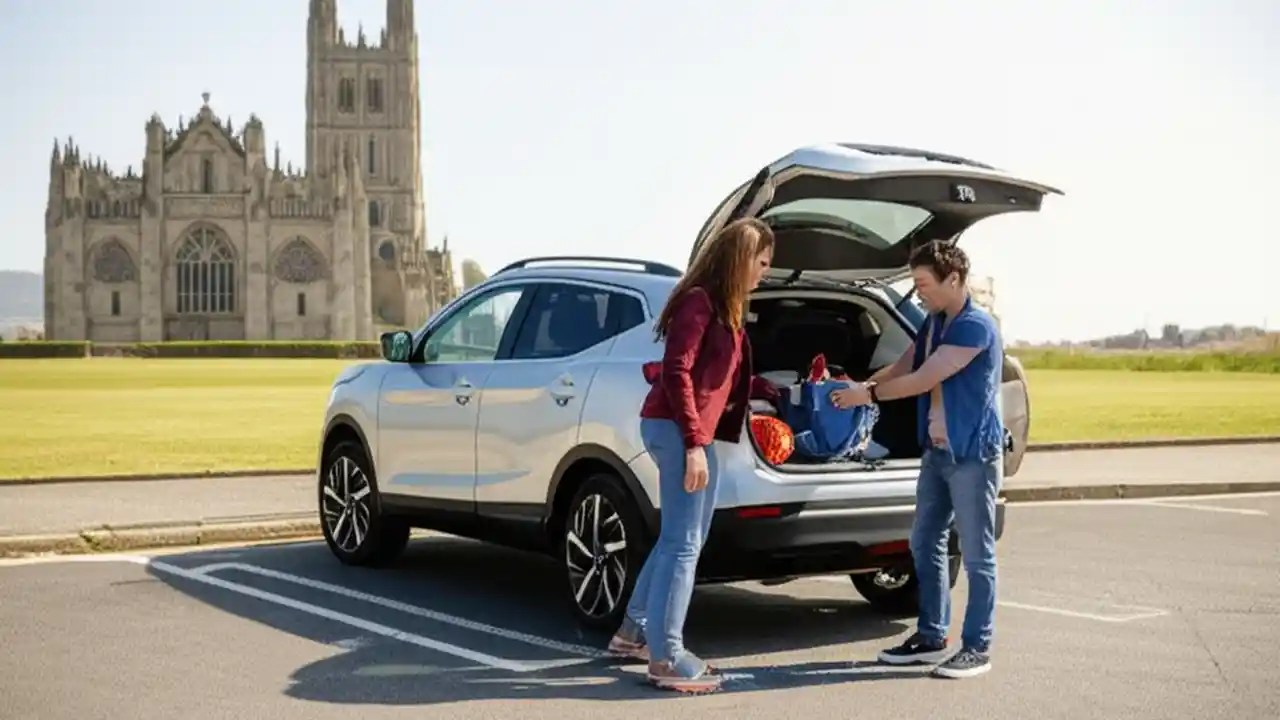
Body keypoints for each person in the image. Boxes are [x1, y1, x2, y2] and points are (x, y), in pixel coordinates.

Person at [607, 217, 776, 693]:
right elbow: (677, 370)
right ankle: (667, 656)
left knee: (681, 540)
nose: (764, 273)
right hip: (676, 429)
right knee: (683, 544)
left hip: (690, 432)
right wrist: (694, 443)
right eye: (761, 263)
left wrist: (777, 391)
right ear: (741, 257)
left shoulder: (725, 306)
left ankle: (632, 633)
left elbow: (722, 377)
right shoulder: (699, 301)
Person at [830, 240, 1004, 680]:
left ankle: (977, 647)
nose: (918, 291)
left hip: (971, 457)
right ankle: (931, 637)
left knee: (978, 554)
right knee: (923, 543)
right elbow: (904, 364)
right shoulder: (932, 323)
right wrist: (859, 384)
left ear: (954, 280)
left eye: (923, 283)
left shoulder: (974, 327)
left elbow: (925, 379)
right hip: (938, 453)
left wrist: (865, 396)